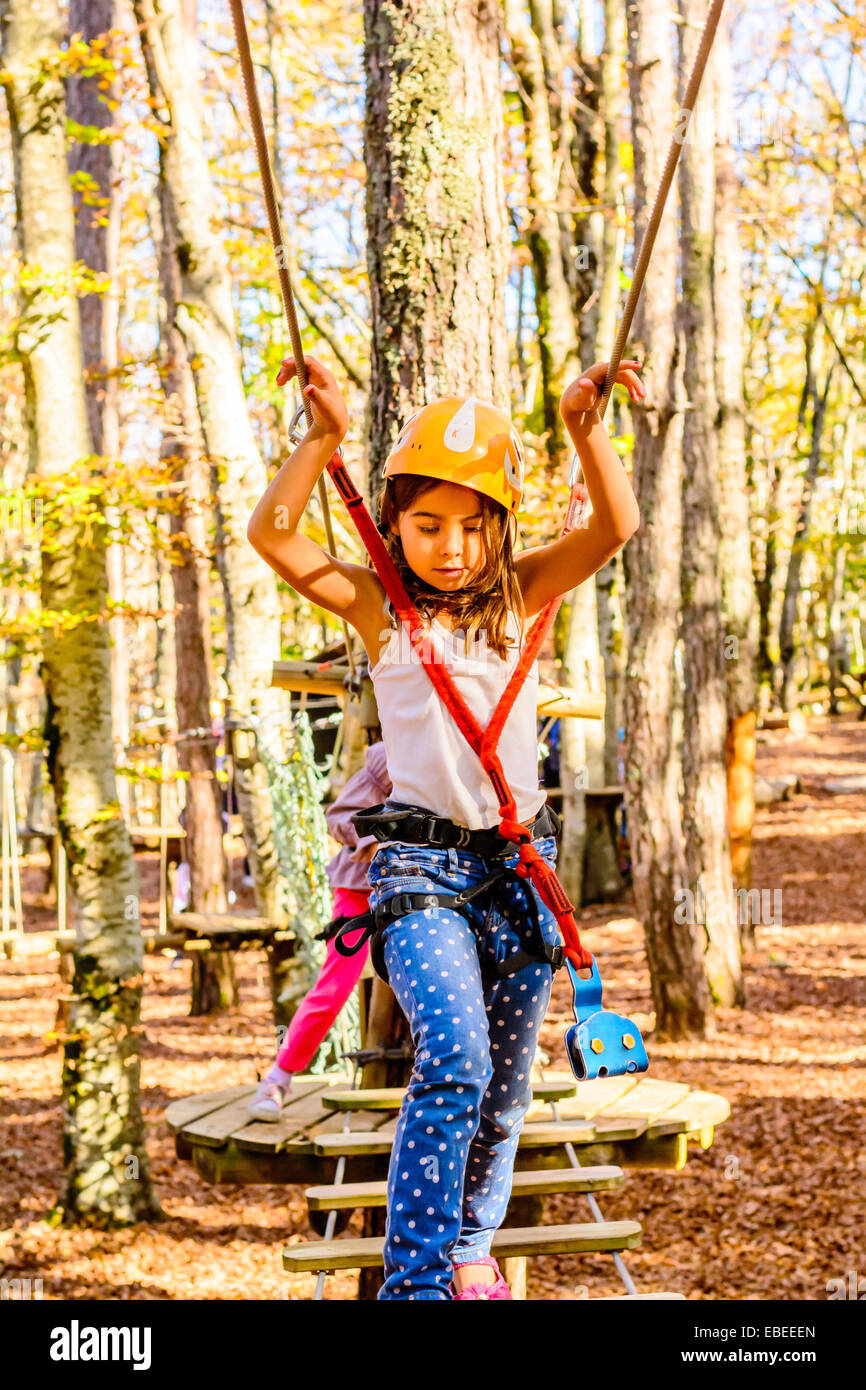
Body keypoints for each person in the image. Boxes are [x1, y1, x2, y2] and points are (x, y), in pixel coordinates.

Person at [247, 353, 643, 1300]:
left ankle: (471, 1243)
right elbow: (273, 535)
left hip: (518, 868)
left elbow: (615, 526)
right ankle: (416, 1281)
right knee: (456, 1055)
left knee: (504, 1087)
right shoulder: (379, 607)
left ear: (501, 528)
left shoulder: (525, 593)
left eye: (472, 526)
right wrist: (321, 440)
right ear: (394, 525)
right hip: (420, 869)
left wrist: (585, 431)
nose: (452, 547)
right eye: (427, 525)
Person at [247, 740, 392, 1119]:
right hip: (363, 887)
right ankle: (277, 1078)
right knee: (335, 985)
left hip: (434, 886)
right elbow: (340, 817)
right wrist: (382, 841)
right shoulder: (389, 757)